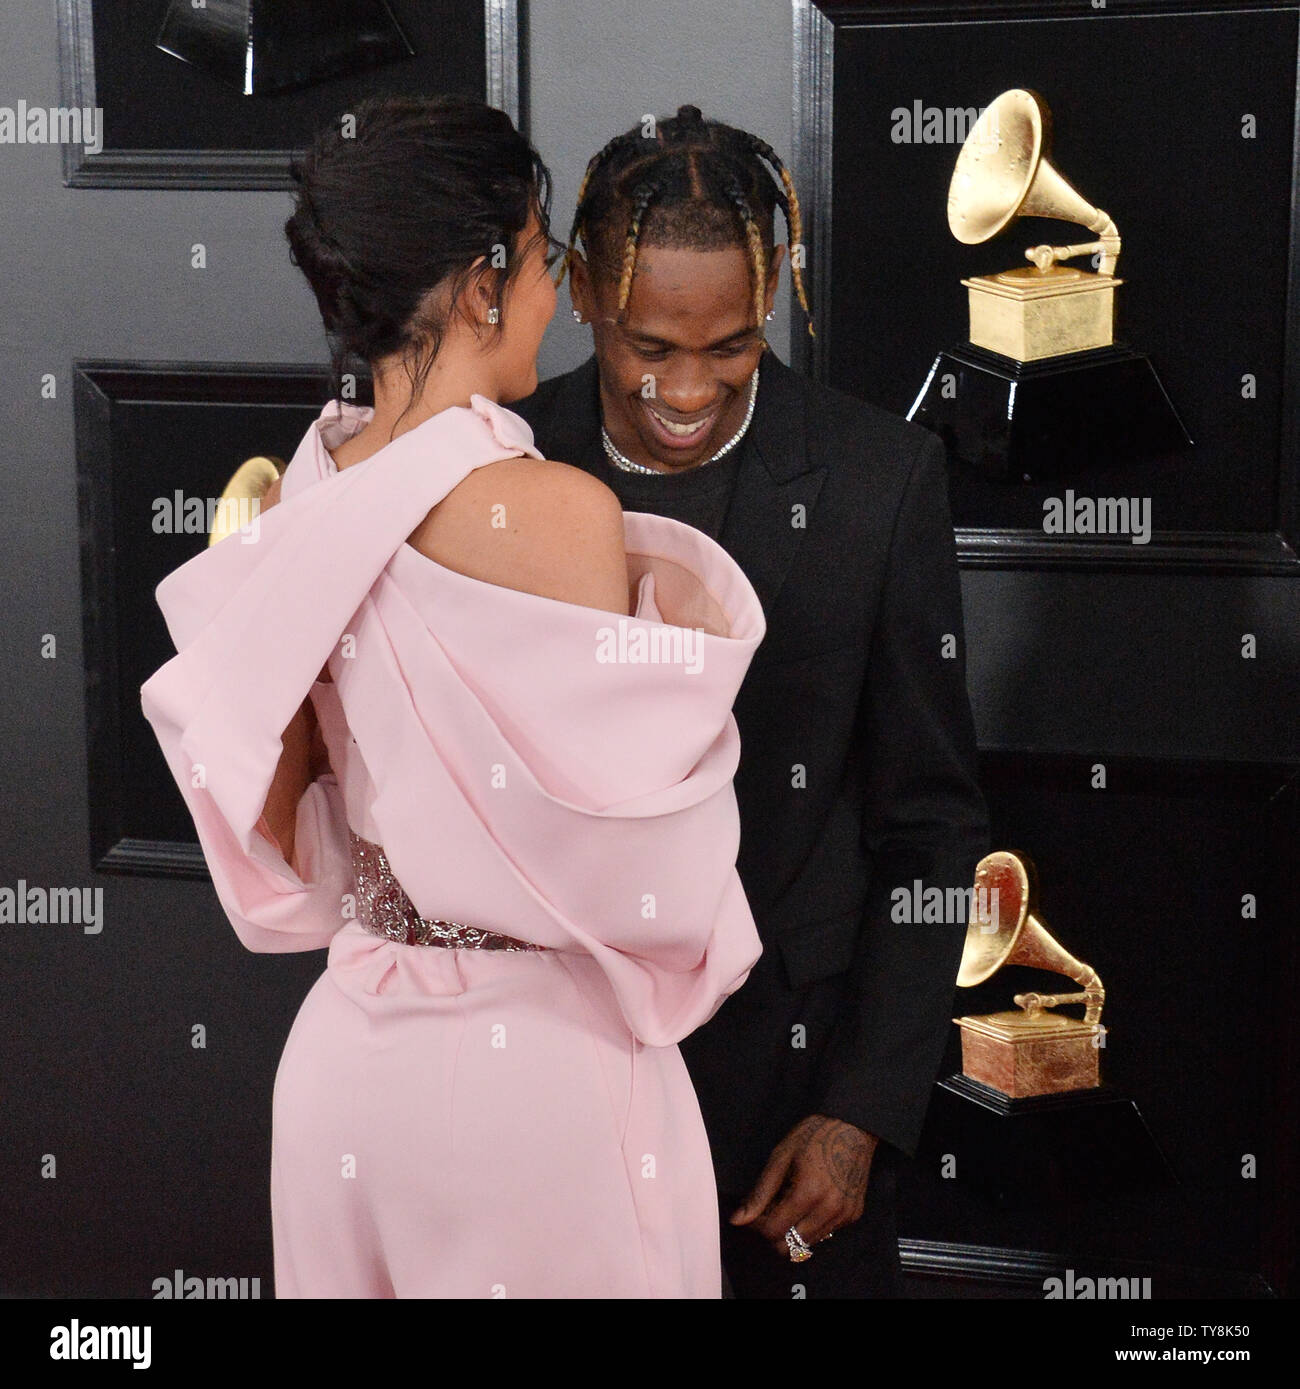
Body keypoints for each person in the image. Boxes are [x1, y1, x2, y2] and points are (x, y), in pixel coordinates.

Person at [138, 95, 767, 1299]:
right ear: (485, 283)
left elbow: (275, 836)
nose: (550, 295)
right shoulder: (556, 513)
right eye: (540, 261)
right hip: (534, 1089)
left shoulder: (303, 495)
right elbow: (649, 882)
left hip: (347, 1067)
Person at [512, 104, 990, 1297]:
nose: (688, 390)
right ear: (579, 290)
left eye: (728, 346)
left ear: (771, 296)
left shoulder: (880, 479)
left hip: (790, 1096)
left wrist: (861, 1113)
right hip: (545, 1076)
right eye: (648, 345)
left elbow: (933, 826)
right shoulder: (496, 465)